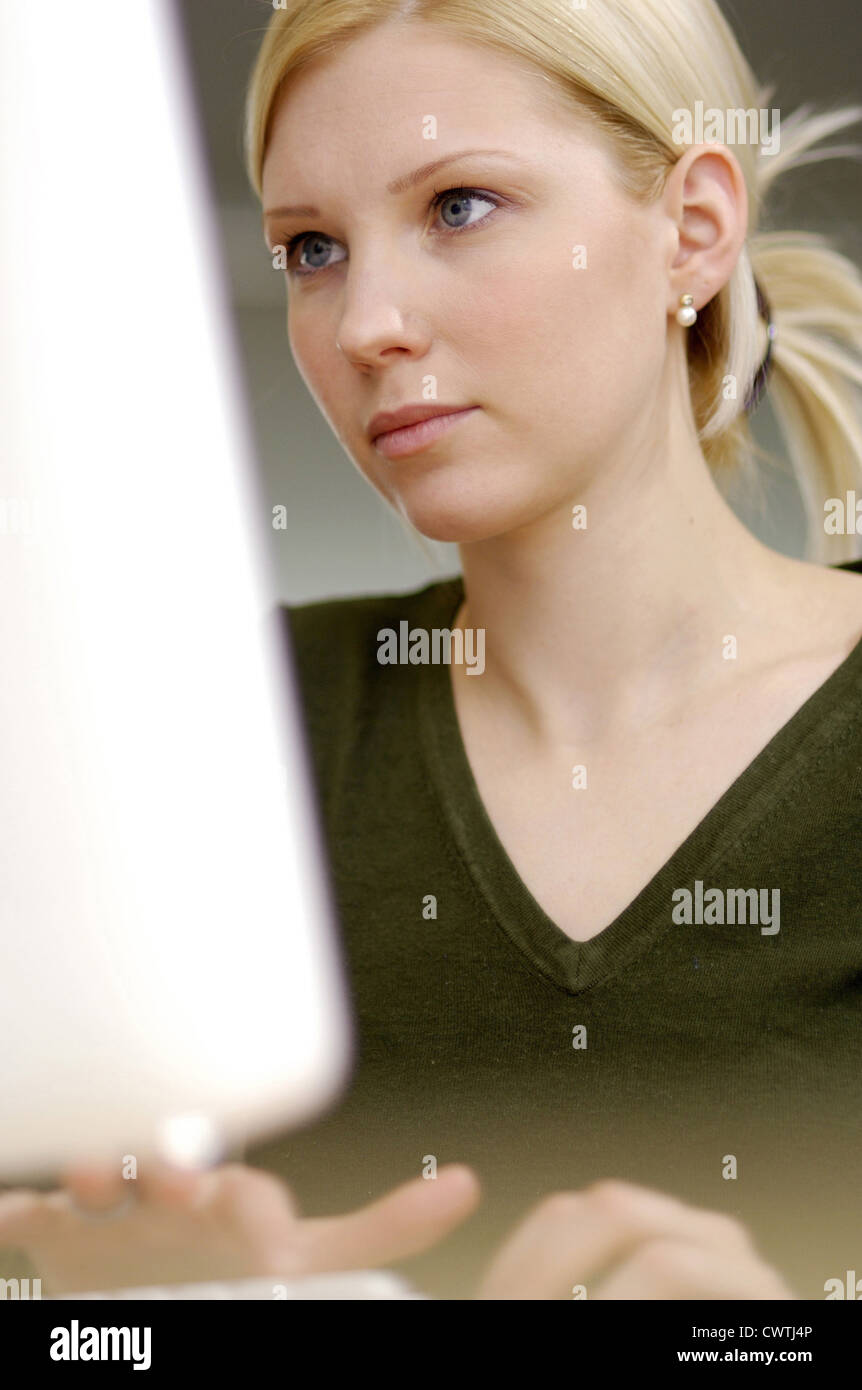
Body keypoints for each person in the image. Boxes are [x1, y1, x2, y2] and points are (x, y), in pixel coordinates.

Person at [2, 0, 861, 1300]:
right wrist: (159, 1312)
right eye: (309, 248)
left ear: (690, 230)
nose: (365, 326)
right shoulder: (210, 737)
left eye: (458, 206)